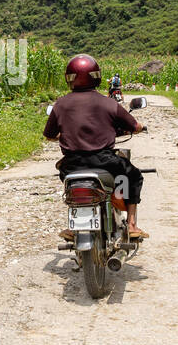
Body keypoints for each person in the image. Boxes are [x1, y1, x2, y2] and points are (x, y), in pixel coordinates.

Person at [44, 54, 148, 240]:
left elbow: (49, 135)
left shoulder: (60, 105)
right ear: (96, 76)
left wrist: (64, 135)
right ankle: (131, 225)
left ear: (69, 78)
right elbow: (135, 126)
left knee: (72, 185)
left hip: (72, 164)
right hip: (104, 161)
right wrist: (140, 129)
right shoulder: (108, 103)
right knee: (134, 176)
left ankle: (73, 225)